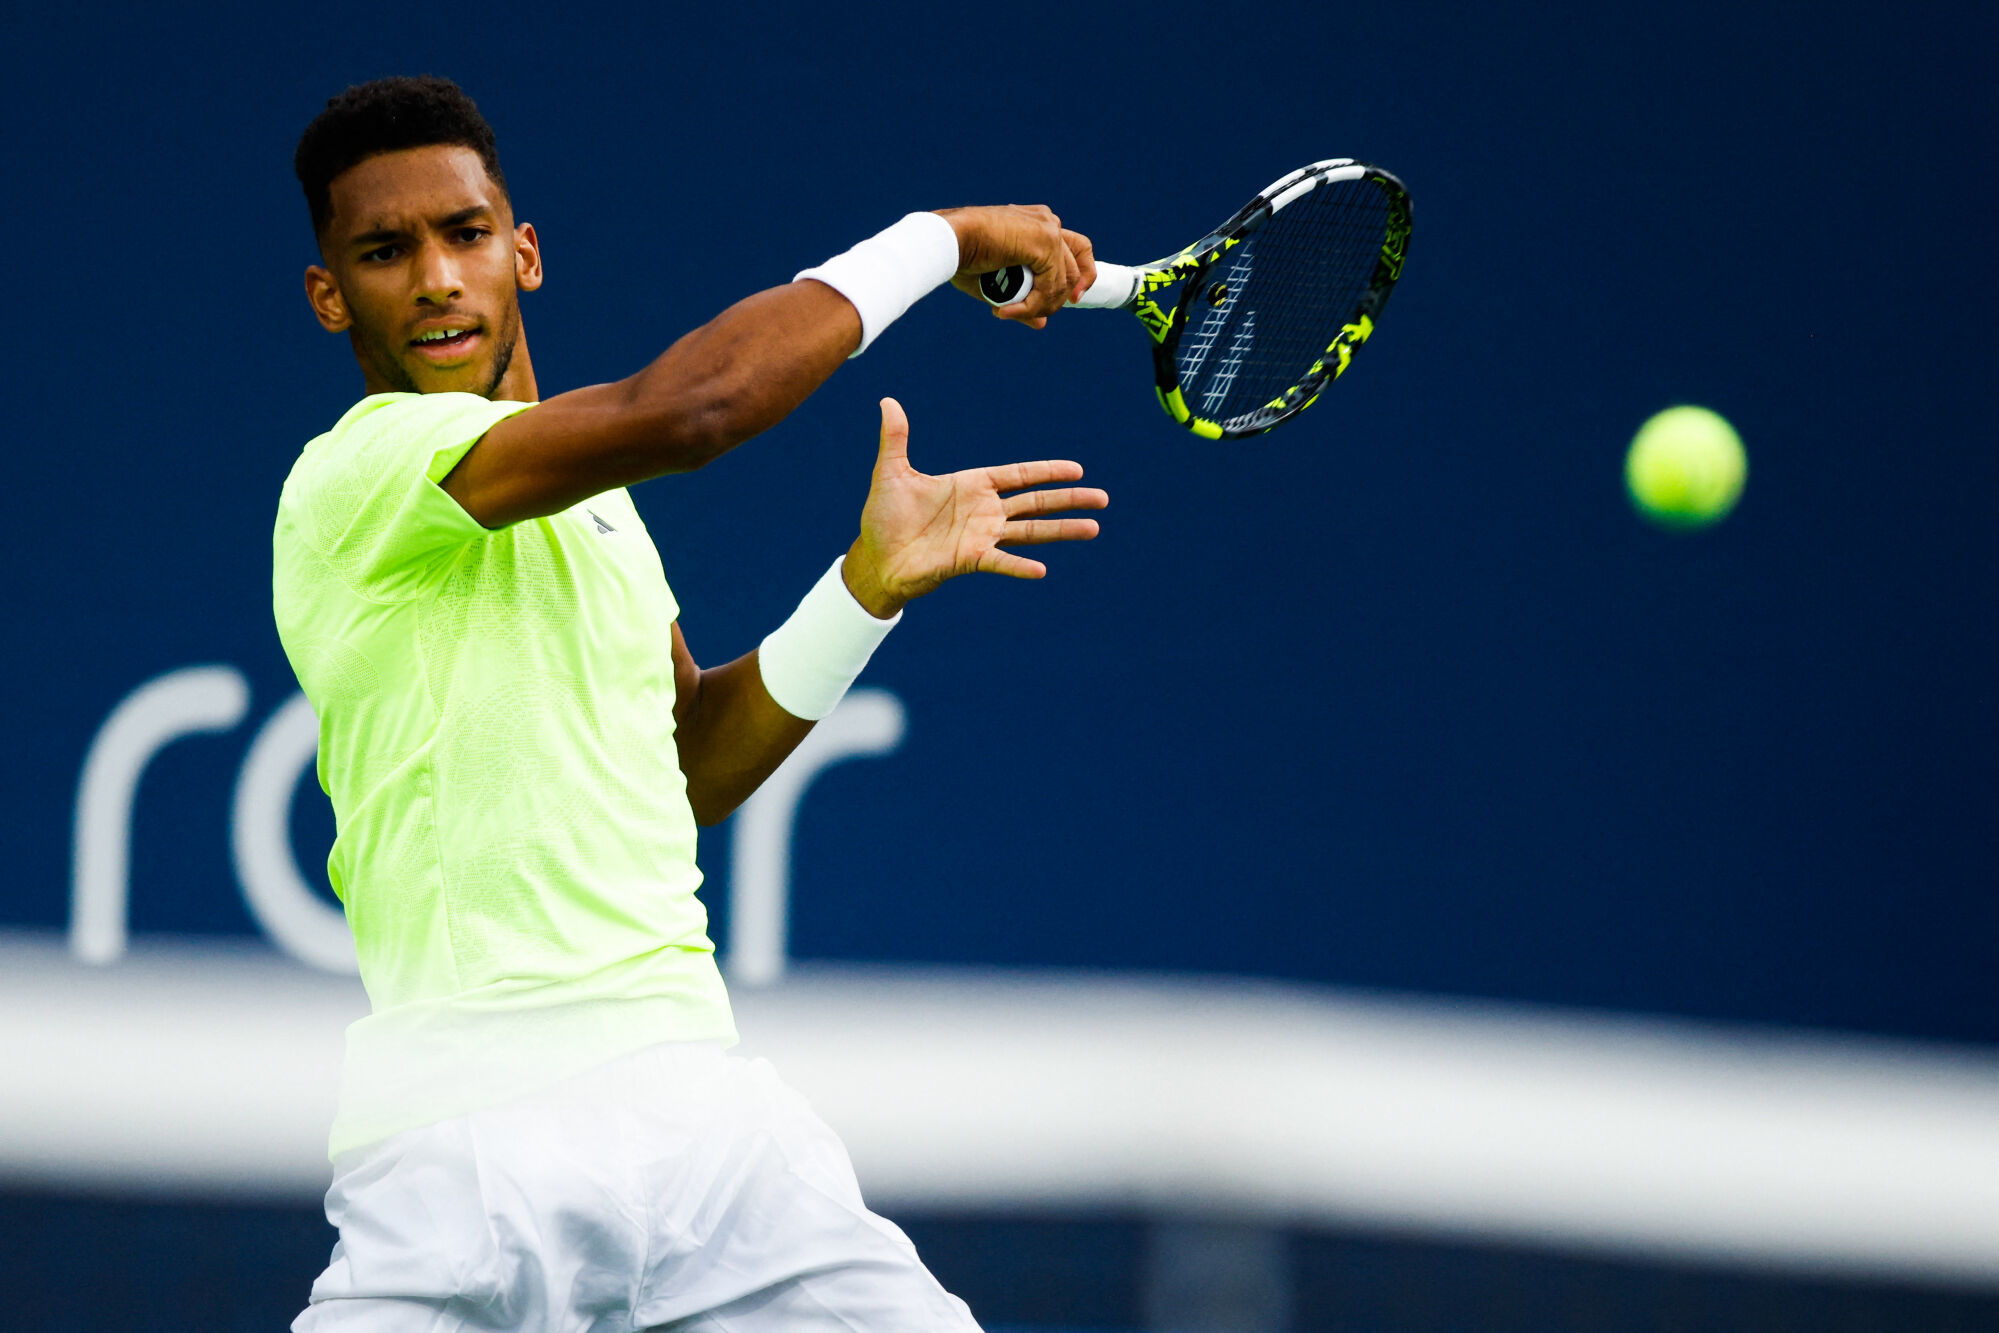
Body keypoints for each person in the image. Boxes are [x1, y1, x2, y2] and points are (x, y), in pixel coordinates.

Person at [275, 74, 1106, 1332]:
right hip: (463, 1159)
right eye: (386, 253)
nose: (437, 278)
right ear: (332, 294)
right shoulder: (356, 474)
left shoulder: (601, 514)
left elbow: (686, 771)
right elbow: (697, 409)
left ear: (523, 252)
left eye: (465, 235)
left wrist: (862, 591)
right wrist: (937, 241)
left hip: (702, 1126)